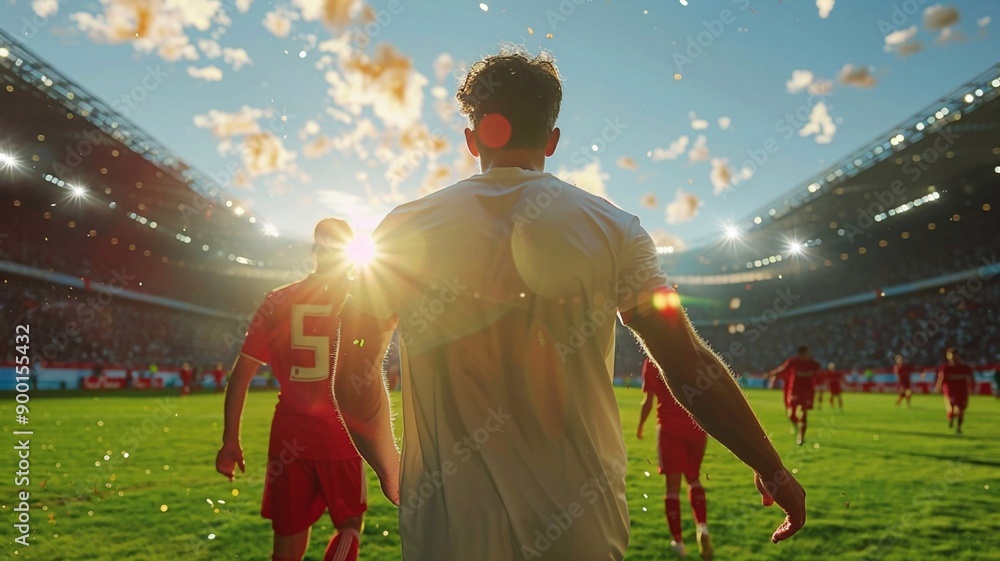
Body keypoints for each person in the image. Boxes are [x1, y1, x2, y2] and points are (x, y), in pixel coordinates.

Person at [331, 47, 805, 561]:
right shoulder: (615, 230)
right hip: (581, 525)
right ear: (553, 140)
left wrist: (390, 468)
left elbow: (353, 374)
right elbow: (687, 364)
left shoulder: (402, 229)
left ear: (471, 140)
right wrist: (770, 465)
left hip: (449, 528)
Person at [215, 219, 367, 561]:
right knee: (349, 525)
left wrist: (230, 440)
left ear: (315, 249)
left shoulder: (278, 300)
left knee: (287, 540)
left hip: (288, 437)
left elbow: (240, 377)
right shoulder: (361, 299)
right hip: (342, 433)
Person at [637, 357, 712, 560]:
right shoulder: (690, 353)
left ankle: (678, 542)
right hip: (697, 428)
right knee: (694, 478)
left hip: (670, 428)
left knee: (672, 488)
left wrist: (641, 425)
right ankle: (702, 526)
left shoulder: (653, 360)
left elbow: (649, 401)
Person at [766, 347, 821, 445]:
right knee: (791, 414)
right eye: (808, 352)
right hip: (795, 390)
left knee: (804, 414)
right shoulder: (793, 361)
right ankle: (796, 426)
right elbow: (782, 369)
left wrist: (812, 374)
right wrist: (772, 374)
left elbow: (818, 371)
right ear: (802, 353)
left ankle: (801, 437)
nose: (809, 354)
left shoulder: (813, 363)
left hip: (807, 391)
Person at [935, 348, 974, 434]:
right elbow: (941, 379)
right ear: (947, 356)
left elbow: (971, 378)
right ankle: (951, 419)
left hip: (962, 392)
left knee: (961, 411)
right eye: (951, 355)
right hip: (950, 392)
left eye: (954, 355)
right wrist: (938, 387)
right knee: (951, 409)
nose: (953, 358)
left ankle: (959, 428)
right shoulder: (945, 368)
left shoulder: (964, 368)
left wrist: (972, 388)